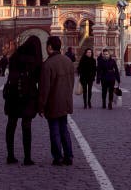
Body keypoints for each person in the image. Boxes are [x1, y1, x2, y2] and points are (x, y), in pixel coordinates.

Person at [3, 35, 42, 165]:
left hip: (13, 94)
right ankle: (27, 157)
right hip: (28, 95)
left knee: (11, 124)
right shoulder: (34, 60)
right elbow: (38, 79)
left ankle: (10, 155)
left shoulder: (15, 56)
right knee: (26, 125)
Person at [39, 36, 74, 166]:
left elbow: (44, 88)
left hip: (53, 103)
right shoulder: (68, 61)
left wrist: (41, 106)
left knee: (54, 130)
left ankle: (58, 157)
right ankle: (69, 156)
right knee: (64, 129)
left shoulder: (48, 64)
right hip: (65, 101)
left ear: (49, 47)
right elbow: (71, 82)